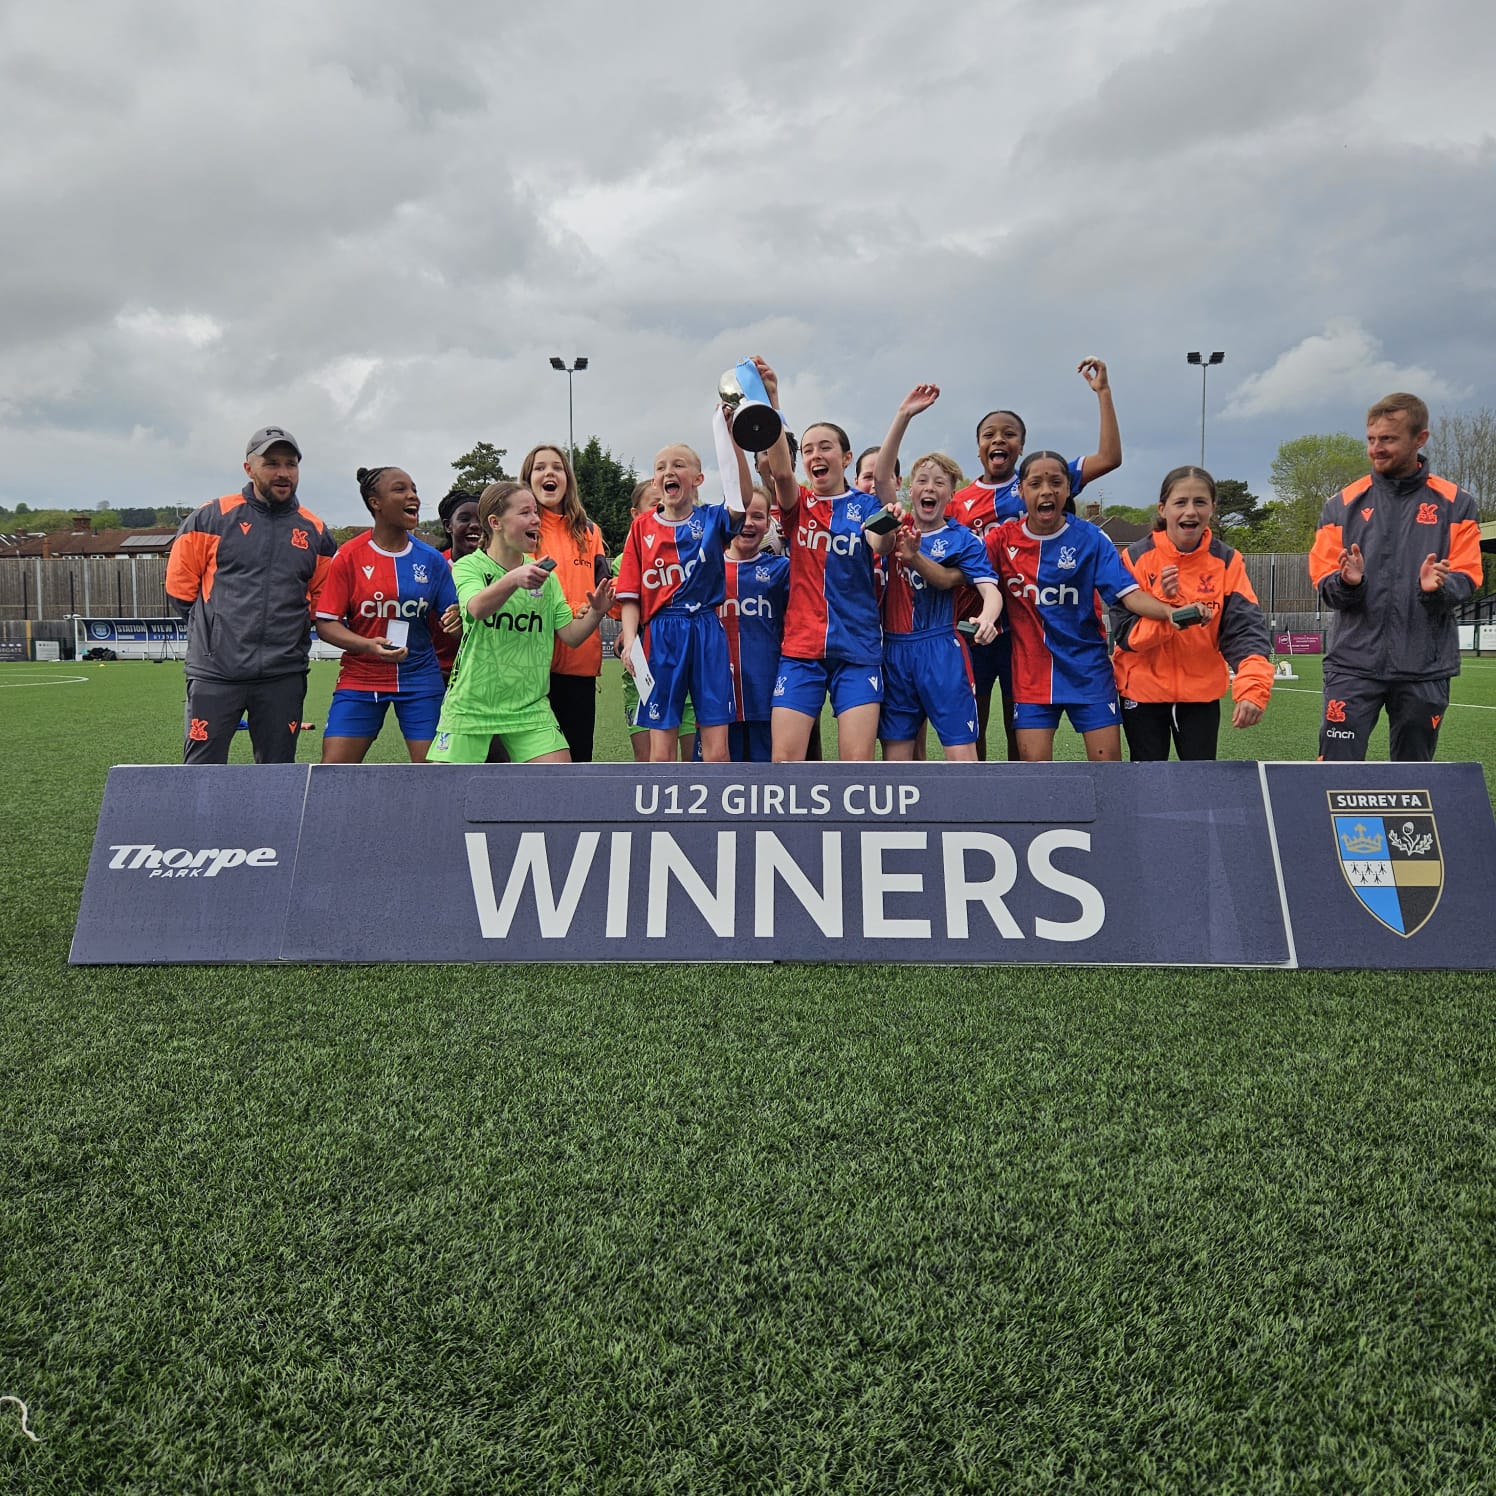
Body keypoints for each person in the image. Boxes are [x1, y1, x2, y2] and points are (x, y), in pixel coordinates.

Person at [948, 359, 1123, 761]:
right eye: (989, 434)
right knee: (973, 717)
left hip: (1025, 630)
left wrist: (1103, 395)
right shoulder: (959, 503)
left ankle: (1017, 799)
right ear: (978, 447)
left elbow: (1109, 457)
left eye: (1009, 434)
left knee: (1021, 722)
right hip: (975, 625)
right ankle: (978, 793)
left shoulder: (1040, 479)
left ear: (1021, 446)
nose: (999, 440)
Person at [1308, 393, 1483, 761]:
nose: (1376, 449)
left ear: (1420, 439)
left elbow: (1468, 576)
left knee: (1413, 779)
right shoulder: (1341, 505)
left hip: (1424, 667)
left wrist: (1438, 588)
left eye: (1388, 439)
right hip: (1352, 665)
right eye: (1371, 439)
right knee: (1333, 775)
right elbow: (1324, 581)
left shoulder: (1457, 503)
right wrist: (1348, 583)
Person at [987, 451, 1187, 762]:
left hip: (1088, 671)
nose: (1046, 491)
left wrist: (1168, 610)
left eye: (1056, 482)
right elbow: (965, 575)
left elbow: (1129, 595)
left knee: (1108, 774)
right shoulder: (1001, 540)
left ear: (1068, 489)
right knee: (1036, 782)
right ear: (1021, 491)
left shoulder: (1091, 538)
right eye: (1036, 483)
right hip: (1031, 676)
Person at [165, 425, 338, 764]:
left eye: (291, 464)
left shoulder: (314, 531)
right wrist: (217, 637)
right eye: (272, 463)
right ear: (249, 468)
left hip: (282, 676)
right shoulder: (210, 518)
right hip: (216, 674)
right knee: (202, 770)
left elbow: (320, 603)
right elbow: (180, 591)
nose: (283, 473)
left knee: (276, 774)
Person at [752, 361, 898, 761]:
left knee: (857, 765)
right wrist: (771, 400)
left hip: (857, 650)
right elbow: (780, 472)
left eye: (826, 447)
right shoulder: (799, 505)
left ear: (846, 457)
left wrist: (886, 531)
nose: (816, 455)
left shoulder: (866, 505)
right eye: (809, 449)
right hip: (802, 650)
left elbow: (881, 546)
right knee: (785, 763)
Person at [429, 482, 613, 764]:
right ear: (495, 522)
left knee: (559, 786)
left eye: (536, 512)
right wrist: (514, 579)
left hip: (530, 708)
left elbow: (571, 635)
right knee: (447, 796)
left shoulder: (546, 576)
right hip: (470, 708)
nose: (536, 520)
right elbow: (476, 607)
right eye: (525, 512)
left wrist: (597, 613)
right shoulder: (469, 566)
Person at [871, 386, 1002, 761]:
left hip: (942, 649)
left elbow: (990, 591)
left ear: (951, 495)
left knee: (961, 755)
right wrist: (904, 415)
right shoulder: (896, 523)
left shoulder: (963, 539)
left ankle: (967, 818)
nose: (930, 487)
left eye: (939, 483)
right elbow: (881, 476)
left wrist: (987, 618)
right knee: (897, 759)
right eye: (923, 481)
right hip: (893, 649)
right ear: (910, 490)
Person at [1111, 466, 1273, 760]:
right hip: (1142, 693)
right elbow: (1125, 636)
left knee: (1200, 788)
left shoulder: (1227, 561)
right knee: (1148, 787)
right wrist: (1170, 612)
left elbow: (1245, 630)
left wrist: (1253, 689)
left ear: (1213, 507)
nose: (1190, 511)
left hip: (1201, 695)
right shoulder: (1133, 558)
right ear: (1163, 509)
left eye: (1200, 502)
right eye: (1180, 502)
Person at [313, 466, 459, 764]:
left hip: (420, 679)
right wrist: (367, 645)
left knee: (437, 775)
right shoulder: (349, 556)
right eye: (400, 489)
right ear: (374, 502)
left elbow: (454, 624)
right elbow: (326, 623)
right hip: (361, 678)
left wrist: (457, 620)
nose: (413, 497)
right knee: (333, 774)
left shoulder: (431, 560)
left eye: (414, 489)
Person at [615, 444, 741, 762]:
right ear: (656, 482)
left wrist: (731, 441)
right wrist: (630, 641)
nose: (669, 471)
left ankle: (716, 810)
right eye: (661, 467)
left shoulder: (713, 519)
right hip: (660, 634)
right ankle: (665, 813)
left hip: (706, 628)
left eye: (679, 465)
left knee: (717, 747)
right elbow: (630, 593)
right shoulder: (640, 528)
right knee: (661, 748)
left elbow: (741, 497)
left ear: (698, 478)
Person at [521, 444, 609, 761]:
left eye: (557, 467)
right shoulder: (520, 530)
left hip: (578, 661)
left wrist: (596, 608)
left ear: (567, 479)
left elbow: (605, 591)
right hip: (528, 665)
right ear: (528, 479)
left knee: (577, 761)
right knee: (524, 765)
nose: (549, 473)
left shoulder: (589, 531)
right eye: (540, 467)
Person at [616, 479, 698, 762]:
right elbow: (622, 610)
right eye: (655, 505)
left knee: (694, 763)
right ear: (635, 515)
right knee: (651, 764)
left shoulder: (693, 551)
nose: (663, 509)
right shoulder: (622, 562)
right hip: (643, 678)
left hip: (689, 674)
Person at [720, 486, 790, 761]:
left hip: (767, 692)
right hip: (719, 694)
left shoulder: (781, 569)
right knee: (719, 777)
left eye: (758, 516)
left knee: (770, 780)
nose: (748, 523)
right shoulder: (707, 568)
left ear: (769, 524)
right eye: (741, 515)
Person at [432, 488, 481, 683]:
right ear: (448, 526)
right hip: (439, 675)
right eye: (464, 518)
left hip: (485, 675)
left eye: (481, 518)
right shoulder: (433, 567)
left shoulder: (502, 569)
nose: (475, 525)